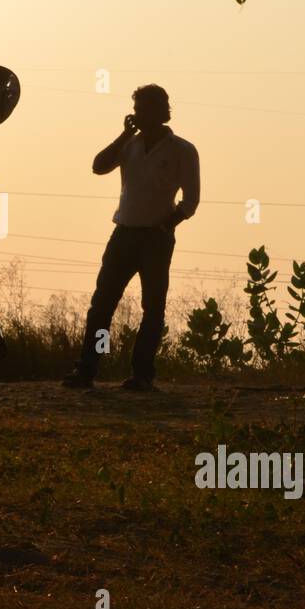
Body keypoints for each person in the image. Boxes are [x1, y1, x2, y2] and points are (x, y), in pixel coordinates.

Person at [62, 84, 200, 391]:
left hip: (156, 239)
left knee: (152, 307)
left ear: (162, 112)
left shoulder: (183, 150)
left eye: (143, 108)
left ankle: (142, 374)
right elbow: (98, 166)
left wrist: (168, 225)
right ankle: (87, 369)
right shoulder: (129, 145)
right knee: (102, 306)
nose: (138, 114)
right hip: (123, 234)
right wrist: (124, 135)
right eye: (136, 108)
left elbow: (190, 200)